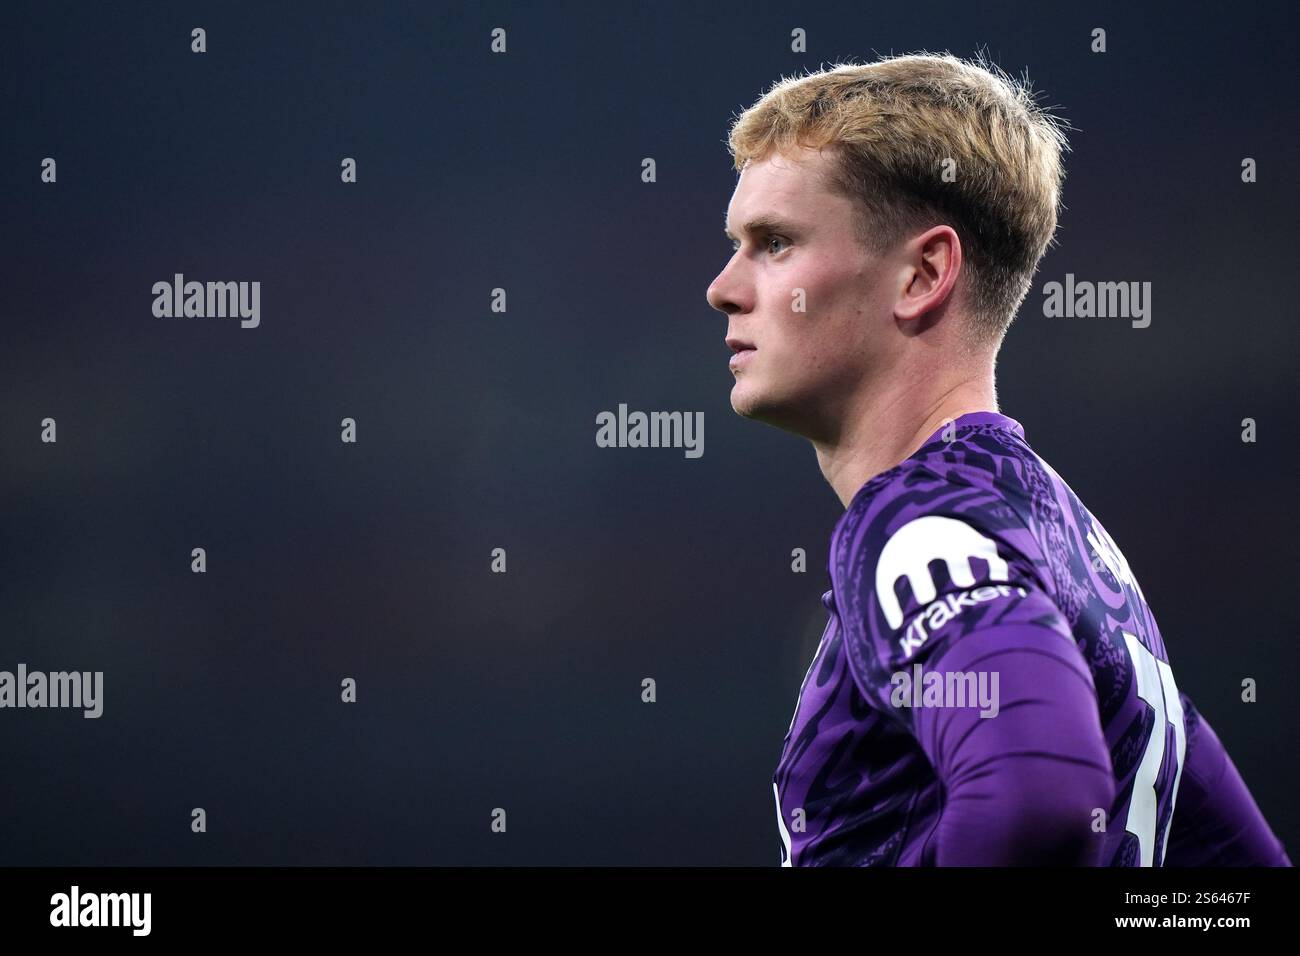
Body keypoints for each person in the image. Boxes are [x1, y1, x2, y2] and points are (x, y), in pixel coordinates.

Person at [705, 52, 1291, 866]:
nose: (723, 287)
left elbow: (1037, 793)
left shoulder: (914, 522)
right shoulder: (1076, 549)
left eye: (774, 243)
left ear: (923, 273)